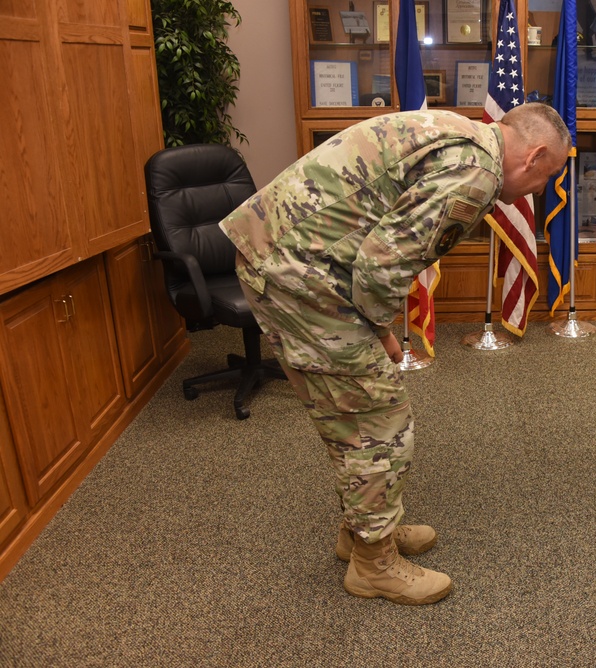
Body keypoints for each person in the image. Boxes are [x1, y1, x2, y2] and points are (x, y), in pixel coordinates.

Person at [219, 104, 571, 606]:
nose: (540, 188)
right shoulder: (476, 172)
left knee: (353, 413)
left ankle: (362, 532)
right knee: (379, 420)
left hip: (292, 254)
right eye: (547, 176)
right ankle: (374, 565)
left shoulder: (467, 136)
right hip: (300, 272)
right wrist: (382, 329)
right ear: (534, 156)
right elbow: (382, 264)